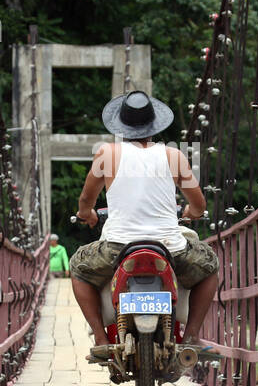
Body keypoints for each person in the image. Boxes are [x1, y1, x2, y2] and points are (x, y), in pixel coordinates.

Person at [68, 90, 219, 363]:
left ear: (121, 126)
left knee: (78, 267)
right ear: (154, 125)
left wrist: (86, 214)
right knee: (210, 268)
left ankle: (101, 340)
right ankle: (193, 336)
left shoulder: (106, 154)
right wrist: (190, 213)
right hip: (169, 248)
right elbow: (198, 204)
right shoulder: (173, 156)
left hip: (117, 248)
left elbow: (86, 199)